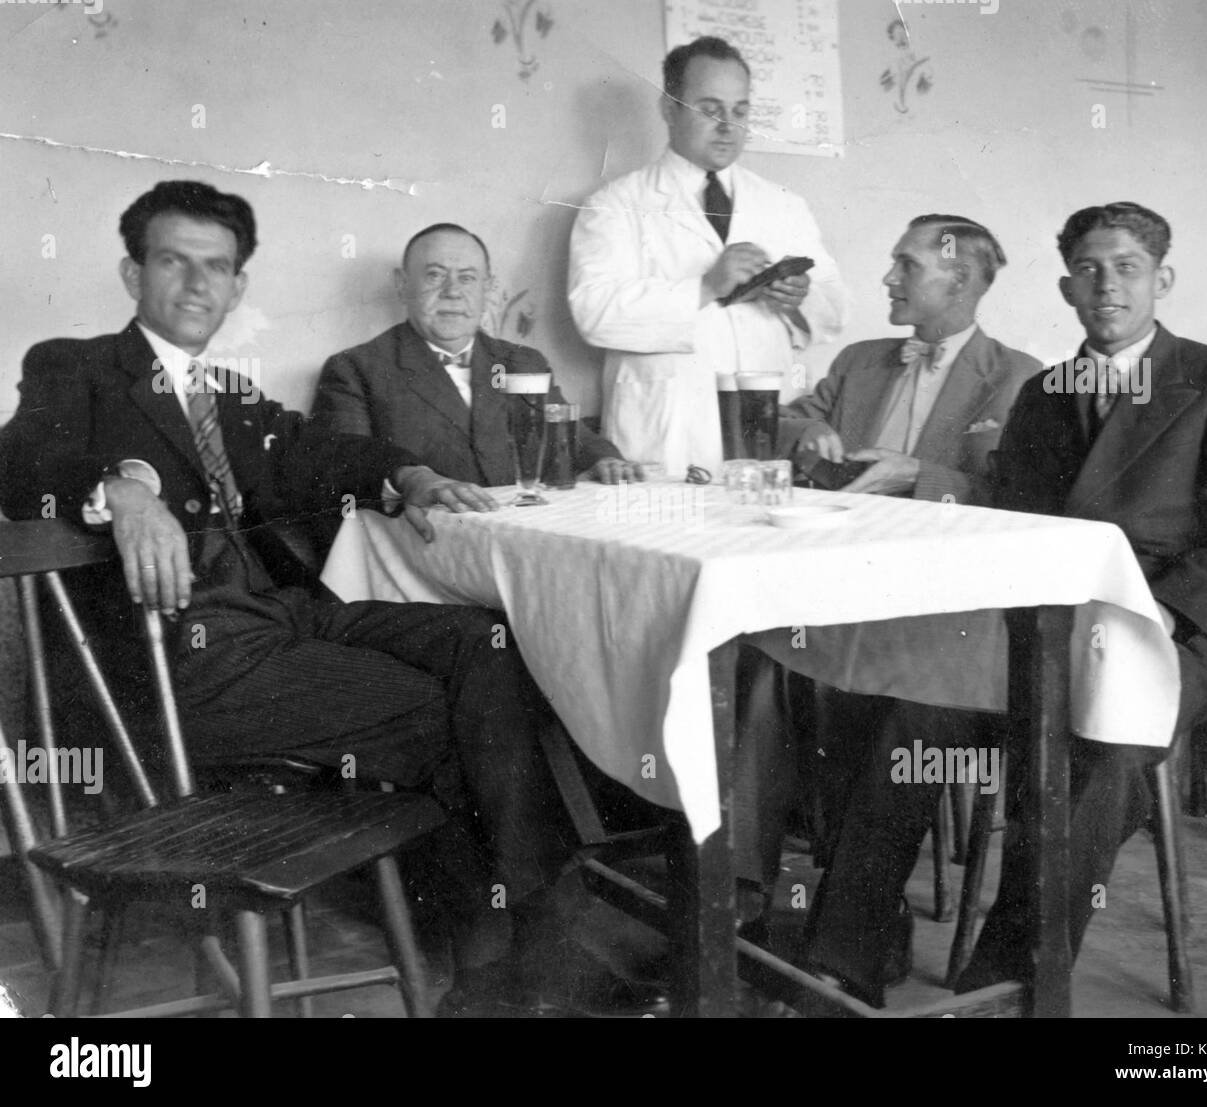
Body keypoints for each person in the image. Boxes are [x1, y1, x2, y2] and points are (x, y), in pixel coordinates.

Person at [0, 180, 662, 1018]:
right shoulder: (76, 368)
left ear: (239, 285)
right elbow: (19, 463)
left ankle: (514, 948)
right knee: (443, 709)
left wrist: (408, 473)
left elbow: (317, 453)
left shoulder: (228, 396)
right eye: (174, 262)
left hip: (274, 616)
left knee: (483, 643)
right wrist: (121, 486)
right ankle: (523, 958)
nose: (198, 285)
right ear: (133, 274)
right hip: (169, 669)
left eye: (219, 268)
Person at [954, 202, 1207, 993]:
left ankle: (1013, 983)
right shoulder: (1044, 393)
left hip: (1174, 627)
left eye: (1127, 267)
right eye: (1089, 270)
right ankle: (844, 952)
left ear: (1161, 279)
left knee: (1099, 746)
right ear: (1067, 288)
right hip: (1054, 622)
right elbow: (1016, 528)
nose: (1108, 286)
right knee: (909, 709)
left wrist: (1159, 614)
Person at [763, 216, 1040, 1006]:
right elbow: (788, 415)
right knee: (758, 660)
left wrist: (918, 474)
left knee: (904, 718)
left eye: (904, 266)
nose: (886, 279)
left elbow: (1016, 499)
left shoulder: (1015, 376)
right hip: (849, 600)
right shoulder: (858, 361)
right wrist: (812, 429)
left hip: (956, 617)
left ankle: (842, 953)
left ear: (960, 280)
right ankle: (783, 906)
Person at [567, 35, 847, 477]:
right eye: (710, 109)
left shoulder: (783, 204)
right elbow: (594, 314)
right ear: (669, 108)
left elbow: (835, 309)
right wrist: (705, 288)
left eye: (740, 111)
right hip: (664, 435)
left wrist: (799, 298)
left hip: (759, 438)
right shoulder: (614, 205)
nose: (727, 126)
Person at [312, 222, 639, 514]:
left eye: (467, 278)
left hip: (527, 530)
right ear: (402, 284)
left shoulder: (524, 362)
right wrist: (413, 479)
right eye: (435, 275)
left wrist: (604, 460)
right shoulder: (355, 369)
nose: (453, 292)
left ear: (488, 289)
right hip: (428, 546)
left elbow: (572, 437)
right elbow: (345, 469)